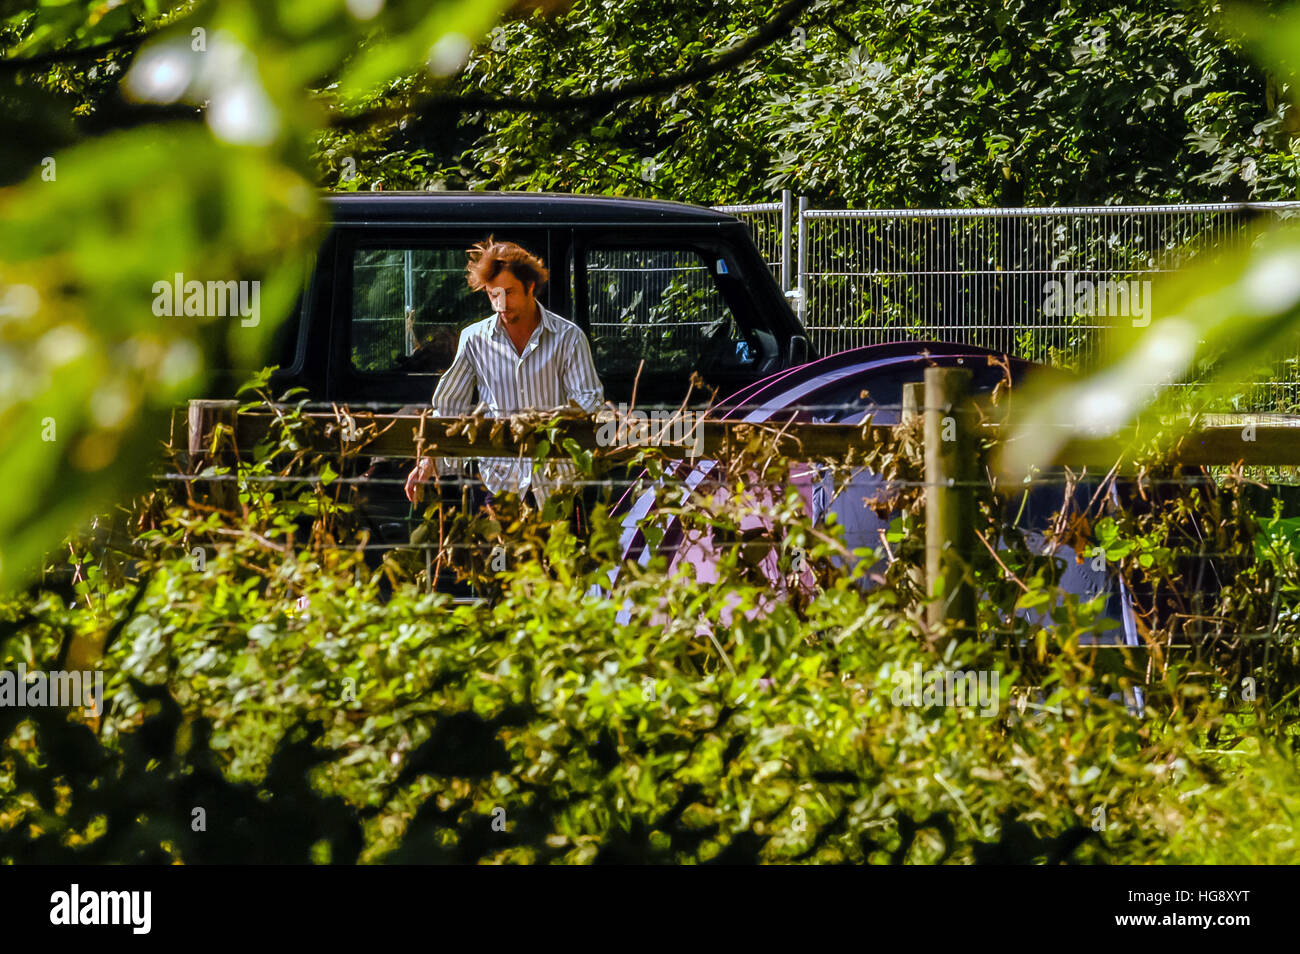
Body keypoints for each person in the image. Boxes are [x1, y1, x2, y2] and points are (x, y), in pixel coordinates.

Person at [403, 235, 604, 521]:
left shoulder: (568, 338)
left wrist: (547, 422)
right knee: (500, 564)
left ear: (531, 286)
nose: (501, 304)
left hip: (556, 484)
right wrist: (428, 461)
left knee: (560, 565)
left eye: (509, 292)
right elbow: (448, 406)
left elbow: (590, 400)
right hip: (499, 483)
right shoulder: (474, 339)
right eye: (492, 294)